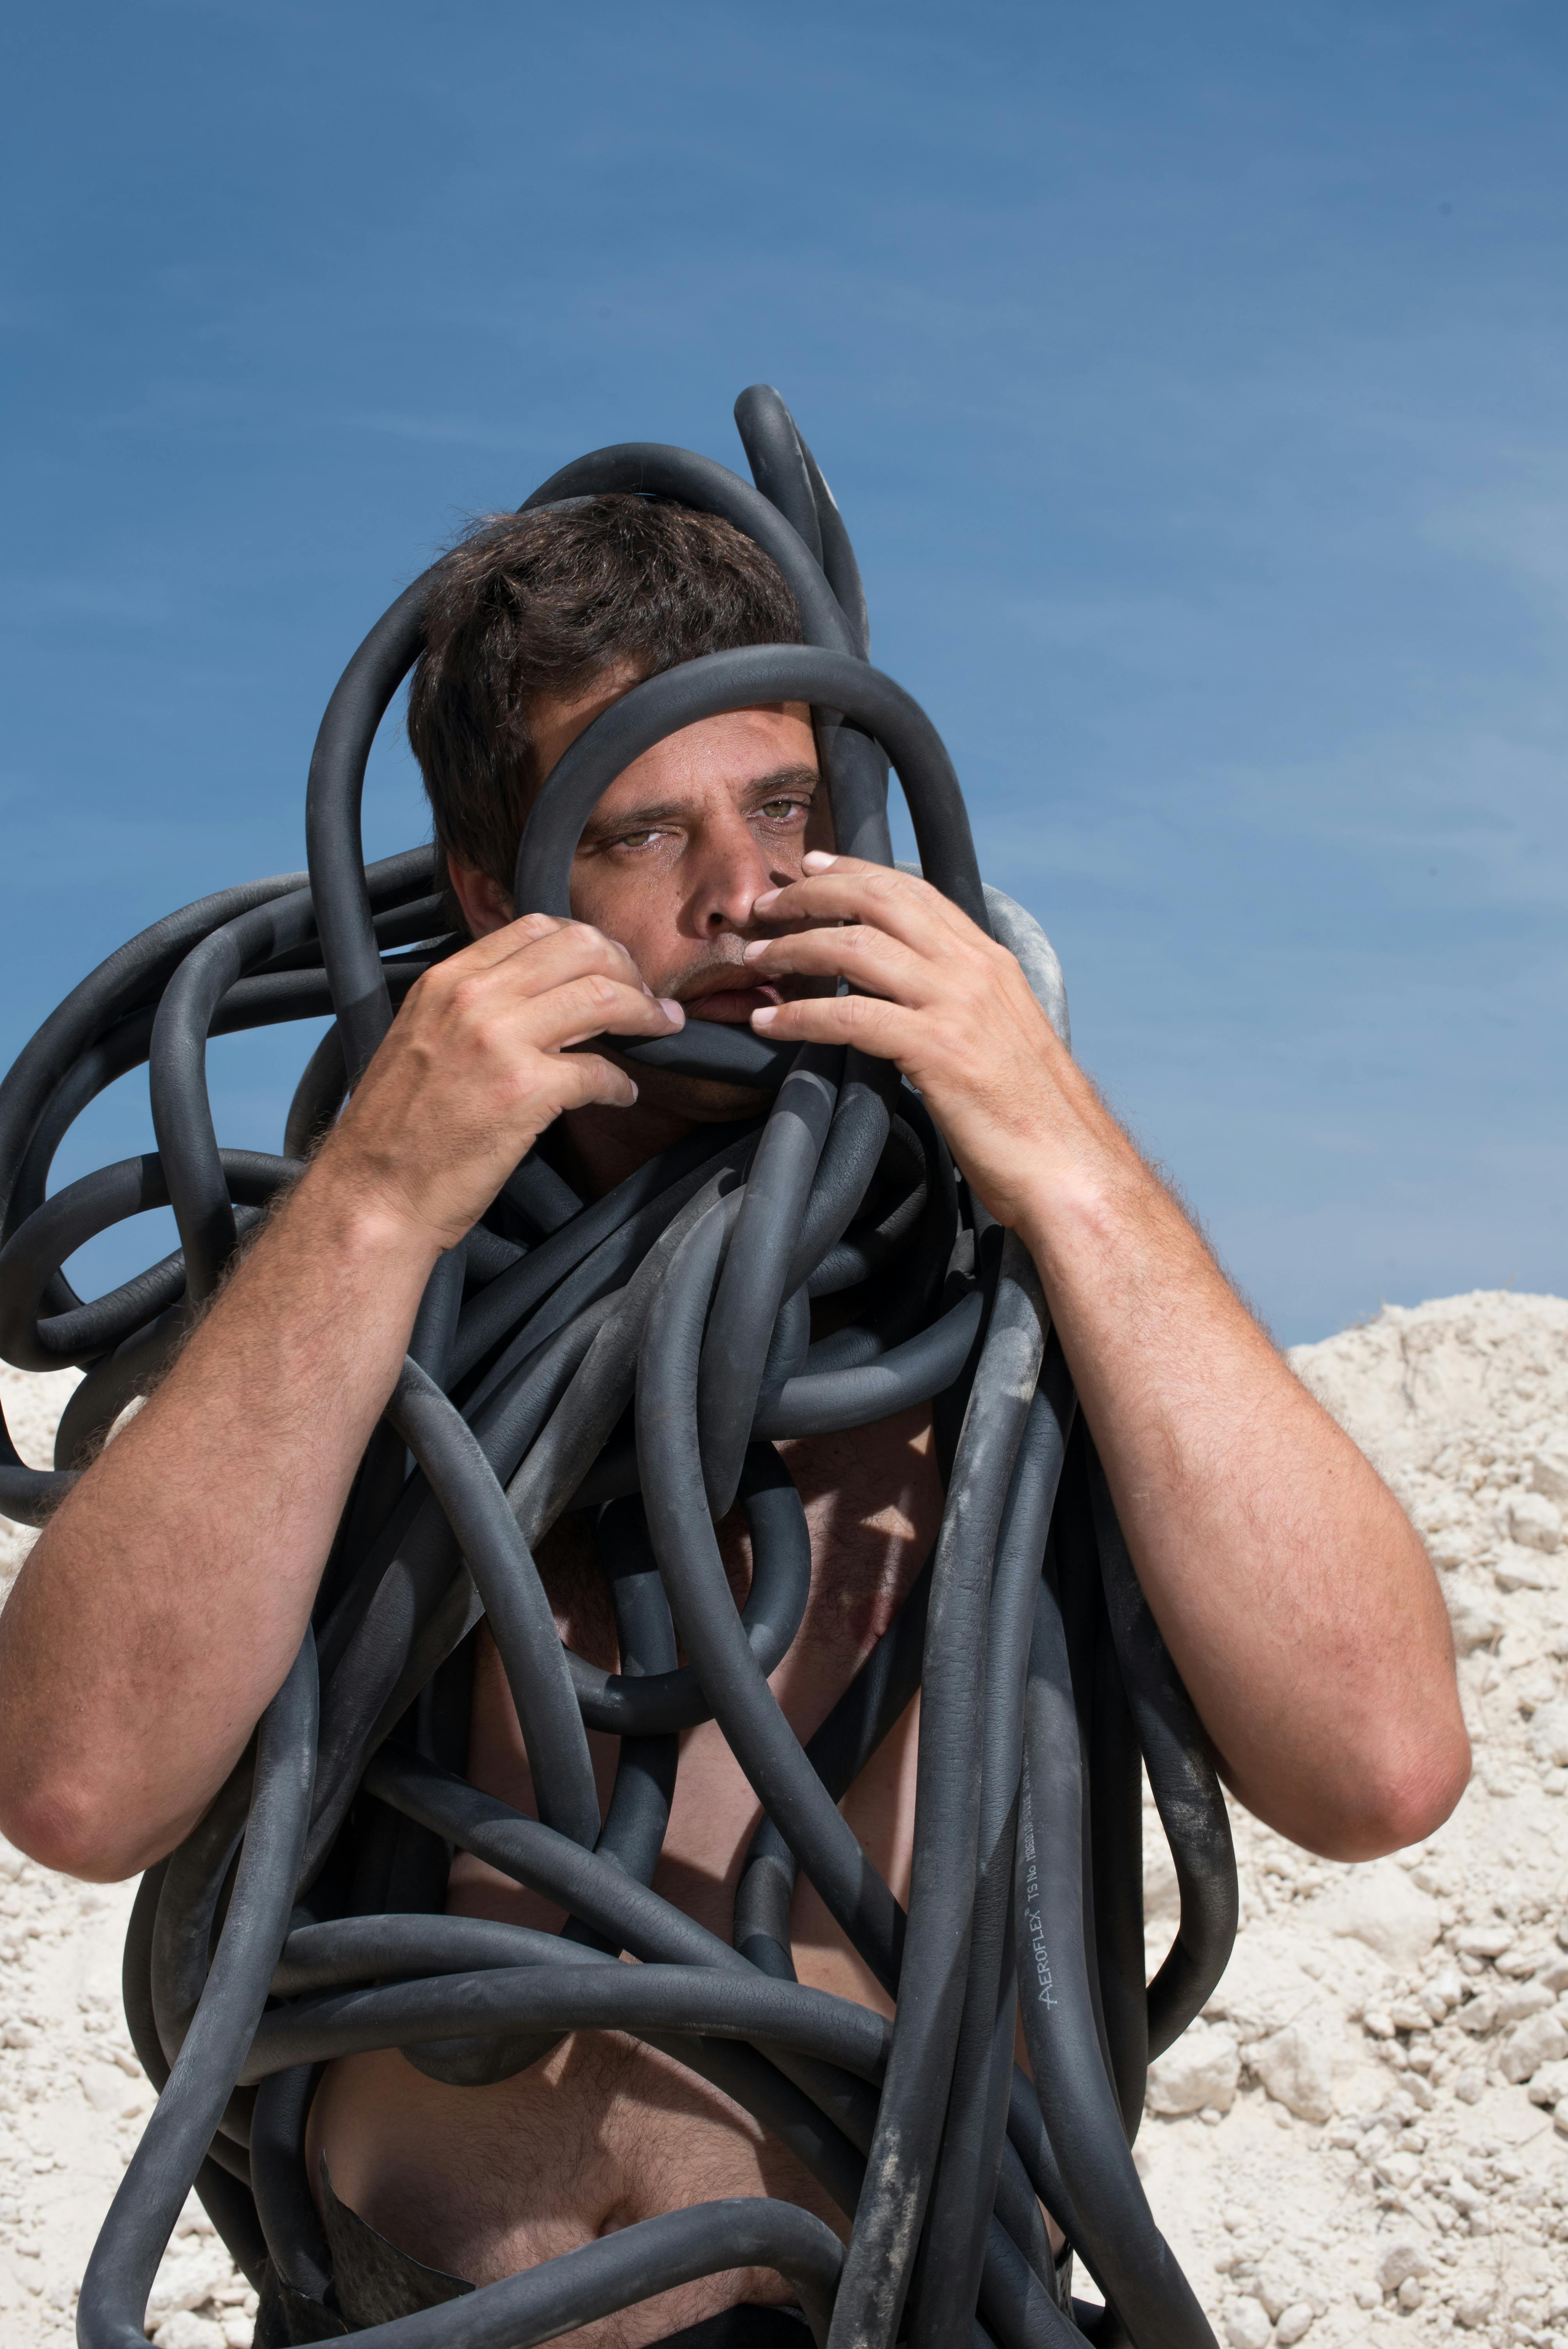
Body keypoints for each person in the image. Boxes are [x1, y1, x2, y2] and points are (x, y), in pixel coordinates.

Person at [0, 495, 1470, 2348]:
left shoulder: (1002, 1301)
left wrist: (1066, 1158)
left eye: (783, 810)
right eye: (641, 831)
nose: (742, 896)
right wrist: (373, 1208)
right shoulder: (358, 1300)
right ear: (487, 899)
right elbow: (77, 1786)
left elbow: (1378, 1765)